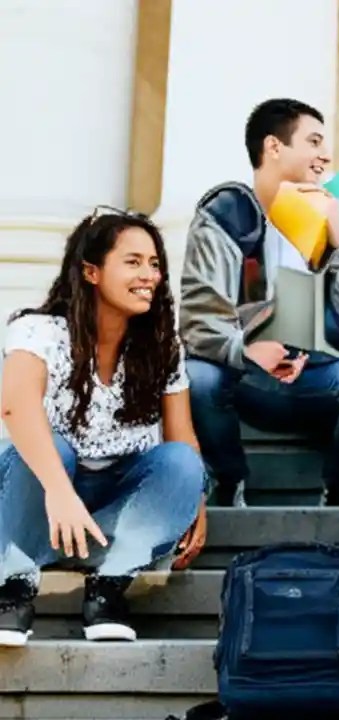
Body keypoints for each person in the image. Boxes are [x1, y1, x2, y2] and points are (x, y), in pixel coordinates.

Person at [0, 209, 206, 647]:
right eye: (132, 262)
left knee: (182, 462)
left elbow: (181, 435)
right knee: (55, 449)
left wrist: (195, 501)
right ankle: (13, 586)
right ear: (91, 272)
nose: (149, 274)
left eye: (154, 263)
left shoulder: (162, 346)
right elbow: (14, 408)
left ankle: (109, 583)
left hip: (113, 496)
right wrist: (60, 491)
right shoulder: (38, 331)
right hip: (40, 489)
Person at [181, 98, 339, 508]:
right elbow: (198, 320)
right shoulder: (227, 214)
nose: (325, 155)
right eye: (313, 141)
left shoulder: (334, 214)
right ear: (274, 147)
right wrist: (247, 351)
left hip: (320, 374)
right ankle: (228, 482)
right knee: (197, 378)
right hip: (246, 378)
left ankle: (336, 487)